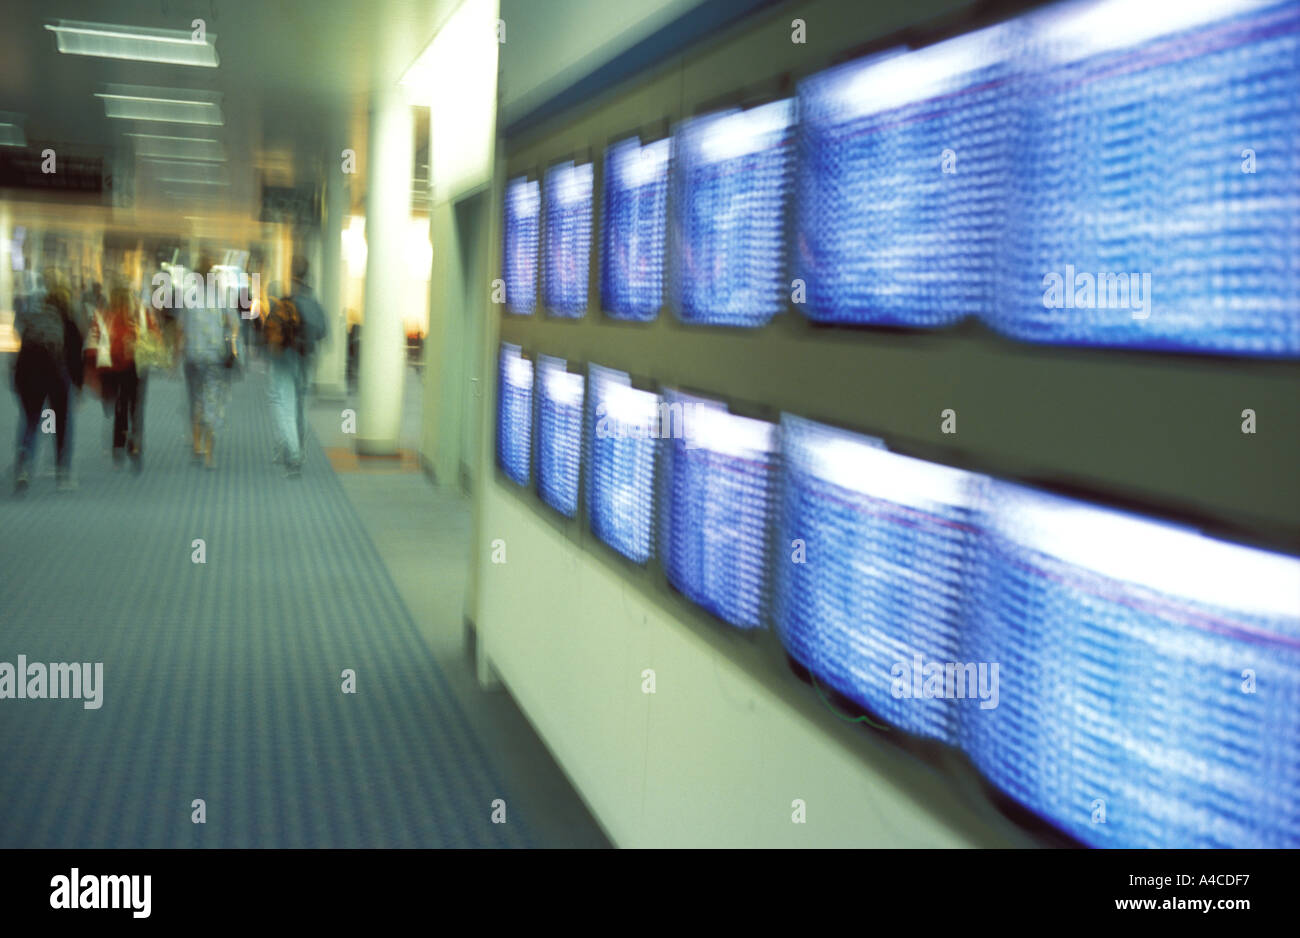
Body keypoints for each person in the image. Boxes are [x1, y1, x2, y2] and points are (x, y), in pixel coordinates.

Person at [12, 275, 80, 493]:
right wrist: (78, 385)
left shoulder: (35, 318)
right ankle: (62, 473)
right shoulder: (68, 321)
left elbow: (20, 350)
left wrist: (16, 383)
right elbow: (75, 358)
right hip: (55, 376)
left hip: (27, 375)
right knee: (62, 422)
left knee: (31, 420)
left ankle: (24, 462)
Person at [265, 255, 327, 478]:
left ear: (292, 272)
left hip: (283, 361)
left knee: (285, 406)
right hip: (305, 360)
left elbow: (270, 332)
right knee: (300, 407)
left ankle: (293, 455)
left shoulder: (285, 301)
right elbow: (323, 332)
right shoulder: (314, 304)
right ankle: (297, 446)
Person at [181, 258, 240, 469]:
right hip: (215, 357)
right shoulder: (222, 297)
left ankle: (197, 446)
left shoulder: (189, 297)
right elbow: (234, 325)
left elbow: (181, 328)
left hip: (193, 357)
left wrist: (176, 354)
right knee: (212, 402)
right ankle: (209, 455)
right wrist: (230, 342)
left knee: (196, 400)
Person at [91, 286, 148, 471]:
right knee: (135, 408)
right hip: (136, 366)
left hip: (113, 368)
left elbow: (95, 339)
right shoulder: (138, 313)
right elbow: (150, 334)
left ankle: (118, 446)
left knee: (119, 408)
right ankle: (135, 444)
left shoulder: (104, 315)